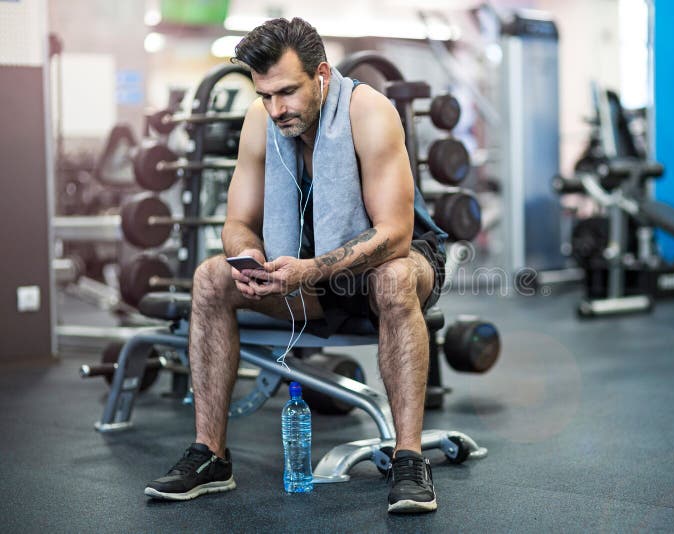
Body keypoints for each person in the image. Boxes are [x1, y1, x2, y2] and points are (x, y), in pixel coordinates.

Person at [144, 17, 448, 515]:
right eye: (265, 95)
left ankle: (409, 458)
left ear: (322, 74)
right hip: (302, 269)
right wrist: (251, 259)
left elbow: (394, 232)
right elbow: (237, 223)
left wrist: (311, 270)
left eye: (287, 92)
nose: (276, 108)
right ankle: (211, 456)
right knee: (210, 277)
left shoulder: (368, 111)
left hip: (389, 261)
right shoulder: (261, 122)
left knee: (394, 280)